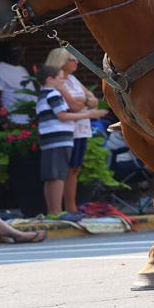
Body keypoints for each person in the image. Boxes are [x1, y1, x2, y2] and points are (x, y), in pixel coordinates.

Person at [42, 49, 108, 214]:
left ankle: (71, 206)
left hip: (81, 128)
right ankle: (60, 209)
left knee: (75, 169)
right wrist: (85, 102)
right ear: (61, 61)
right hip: (67, 131)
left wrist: (85, 101)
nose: (76, 62)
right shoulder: (57, 81)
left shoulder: (73, 79)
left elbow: (94, 101)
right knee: (64, 170)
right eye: (72, 59)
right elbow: (74, 106)